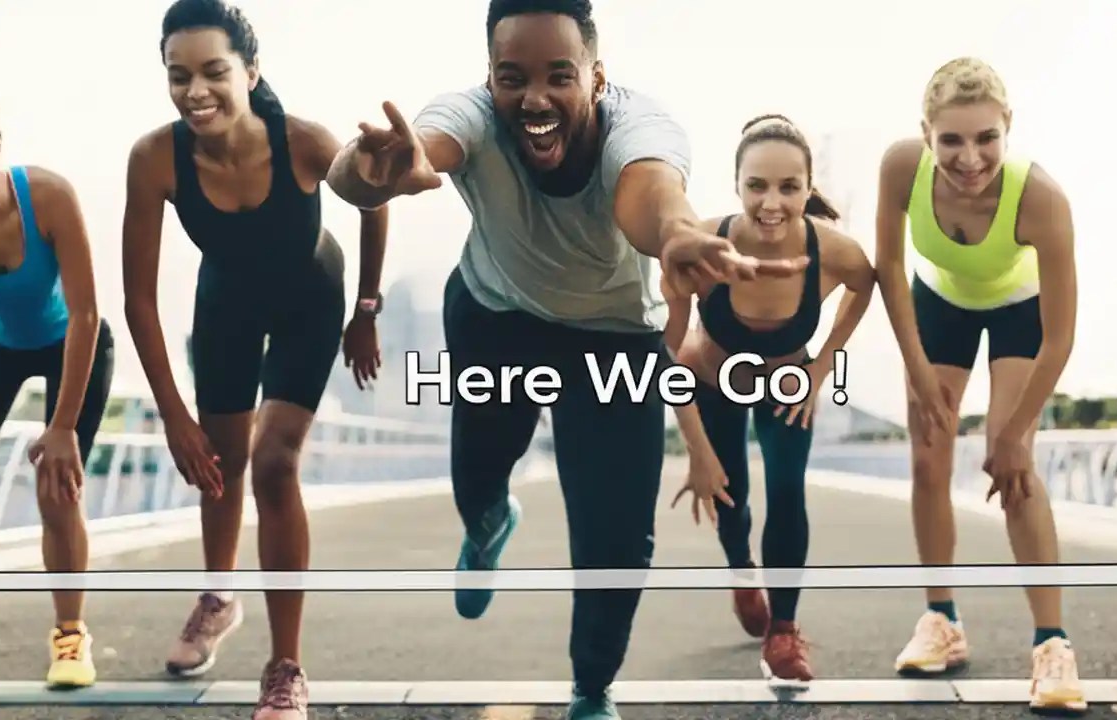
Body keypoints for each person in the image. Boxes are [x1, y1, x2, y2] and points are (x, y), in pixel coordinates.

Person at [325, 1, 807, 716]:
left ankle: (591, 690)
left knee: (617, 538)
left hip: (612, 335)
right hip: (497, 317)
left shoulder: (640, 127)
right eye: (512, 77)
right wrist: (372, 173)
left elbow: (652, 196)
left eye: (559, 77)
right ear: (489, 78)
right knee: (478, 472)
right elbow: (399, 160)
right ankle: (487, 521)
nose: (535, 99)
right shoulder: (469, 114)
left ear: (596, 78)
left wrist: (675, 238)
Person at [121, 1, 388, 717]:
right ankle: (218, 596)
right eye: (179, 76)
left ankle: (285, 667)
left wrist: (367, 310)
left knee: (274, 464)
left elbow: (372, 196)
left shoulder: (302, 141)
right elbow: (140, 302)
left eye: (213, 72)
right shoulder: (154, 159)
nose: (195, 91)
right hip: (227, 306)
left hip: (311, 300)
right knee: (219, 464)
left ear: (251, 71)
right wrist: (176, 417)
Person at [873, 57, 1085, 713]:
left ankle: (1052, 643)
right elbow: (888, 265)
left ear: (1008, 128)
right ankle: (942, 622)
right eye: (952, 141)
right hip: (938, 303)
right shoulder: (902, 167)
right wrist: (916, 370)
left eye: (986, 138)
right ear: (926, 134)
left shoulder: (1042, 199)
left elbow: (1059, 337)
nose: (970, 158)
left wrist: (1018, 432)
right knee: (927, 455)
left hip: (1019, 309)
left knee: (1013, 464)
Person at [661, 114, 875, 683]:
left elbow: (865, 285)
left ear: (808, 187)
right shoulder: (704, 249)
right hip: (710, 384)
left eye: (789, 187)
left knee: (785, 492)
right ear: (737, 185)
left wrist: (824, 362)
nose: (772, 202)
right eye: (757, 186)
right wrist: (696, 453)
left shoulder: (832, 251)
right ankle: (741, 570)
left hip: (787, 390)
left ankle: (783, 631)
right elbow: (670, 350)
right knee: (731, 495)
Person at [0, 93, 113, 690]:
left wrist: (61, 427)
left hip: (73, 339)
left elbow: (87, 313)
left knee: (56, 489)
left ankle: (70, 637)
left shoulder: (47, 196)